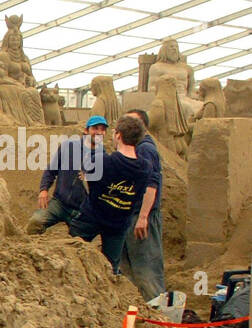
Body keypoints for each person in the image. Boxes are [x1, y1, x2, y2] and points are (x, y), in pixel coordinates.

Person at [68, 114, 151, 273]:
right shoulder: (145, 168)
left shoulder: (102, 161)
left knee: (71, 254)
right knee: (111, 269)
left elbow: (89, 185)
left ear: (118, 135)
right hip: (119, 223)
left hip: (90, 217)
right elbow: (140, 195)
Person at [26, 116, 105, 235]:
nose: (99, 132)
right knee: (35, 222)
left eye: (103, 129)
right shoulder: (69, 146)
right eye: (95, 128)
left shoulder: (104, 157)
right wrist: (44, 190)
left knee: (79, 241)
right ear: (86, 130)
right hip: (60, 203)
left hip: (81, 209)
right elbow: (51, 170)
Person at [117, 109, 166, 300]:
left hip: (142, 217)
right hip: (132, 216)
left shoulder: (145, 149)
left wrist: (143, 216)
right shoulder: (135, 148)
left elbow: (151, 185)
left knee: (147, 270)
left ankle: (158, 315)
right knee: (129, 270)